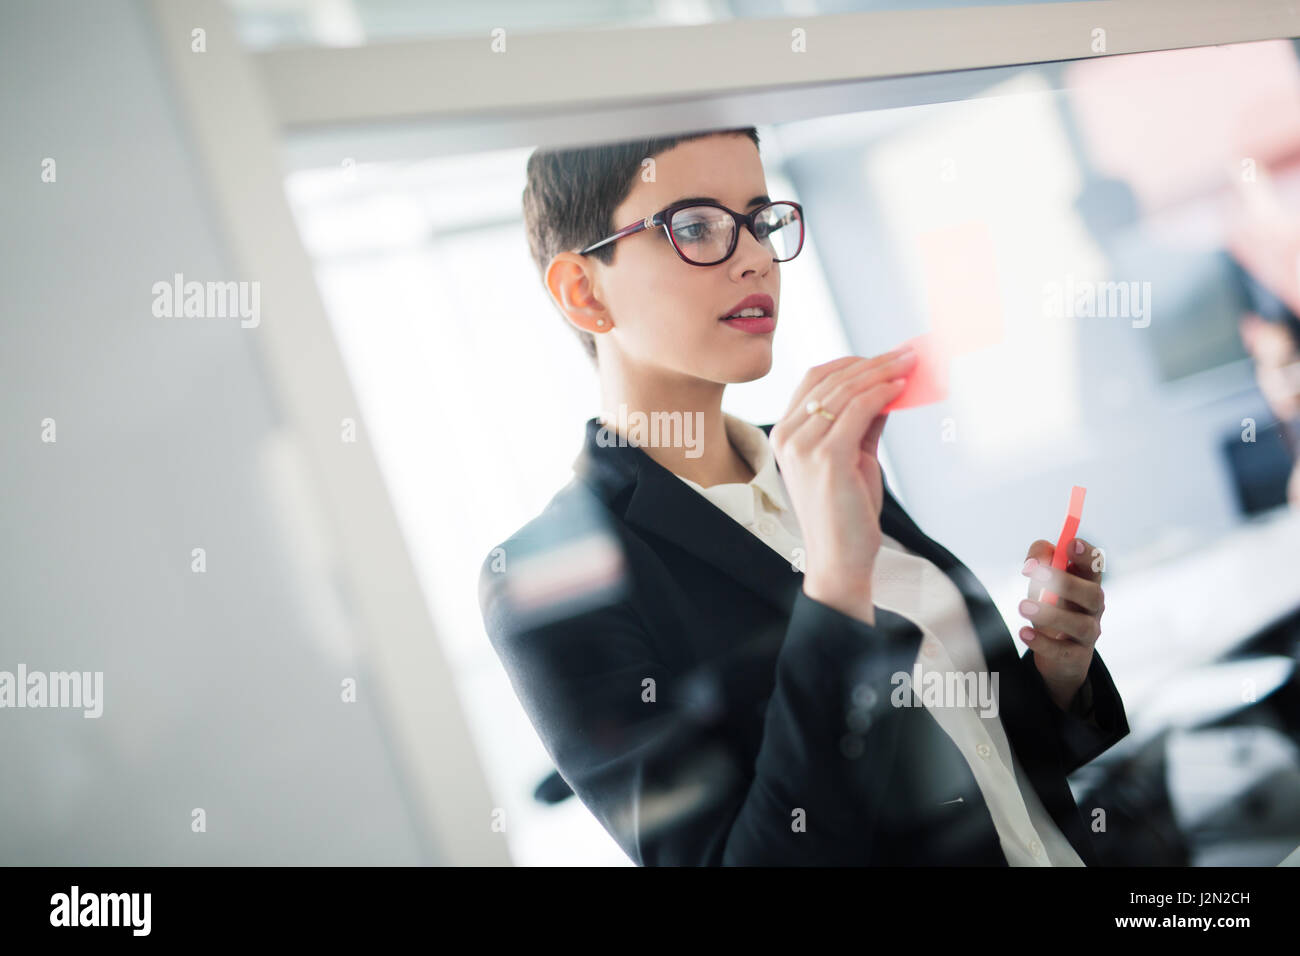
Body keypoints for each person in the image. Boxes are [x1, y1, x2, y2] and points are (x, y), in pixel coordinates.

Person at [478, 126, 1129, 866]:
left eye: (762, 220)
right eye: (695, 226)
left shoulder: (813, 461)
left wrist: (1059, 671)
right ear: (583, 290)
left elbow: (986, 764)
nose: (756, 256)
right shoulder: (544, 579)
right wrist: (837, 589)